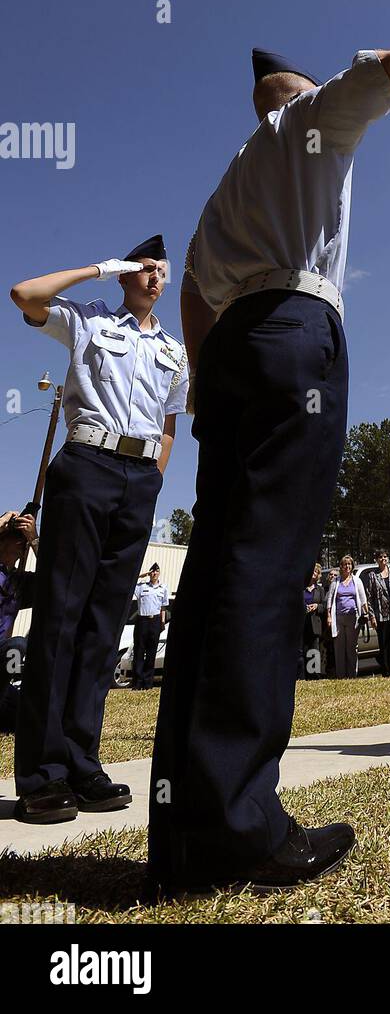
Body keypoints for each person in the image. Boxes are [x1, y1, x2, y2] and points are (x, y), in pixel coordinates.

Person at [149, 45, 390, 894]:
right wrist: (341, 79)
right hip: (295, 330)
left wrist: (199, 386)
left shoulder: (224, 187)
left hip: (230, 352)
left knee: (218, 575)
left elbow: (192, 290)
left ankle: (186, 827)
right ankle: (240, 827)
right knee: (265, 568)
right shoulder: (302, 122)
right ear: (288, 93)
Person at [10, 238, 186, 822]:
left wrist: (154, 480)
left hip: (137, 480)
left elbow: (169, 423)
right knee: (61, 616)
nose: (155, 277)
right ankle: (42, 773)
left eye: (162, 270)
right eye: (145, 268)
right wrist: (100, 268)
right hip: (86, 466)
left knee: (105, 624)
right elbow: (23, 294)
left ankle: (83, 761)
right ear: (125, 275)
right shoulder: (87, 321)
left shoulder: (173, 351)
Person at [0, 511, 38, 734]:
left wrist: (34, 539)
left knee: (29, 716)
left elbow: (56, 578)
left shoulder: (18, 582)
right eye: (16, 539)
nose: (21, 546)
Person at [326, 556, 371, 678]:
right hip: (339, 618)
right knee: (339, 648)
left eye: (349, 564)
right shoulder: (336, 581)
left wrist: (366, 614)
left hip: (353, 618)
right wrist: (329, 616)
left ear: (352, 566)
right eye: (345, 564)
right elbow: (330, 599)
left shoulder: (357, 581)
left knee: (351, 648)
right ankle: (341, 675)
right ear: (341, 566)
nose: (347, 567)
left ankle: (352, 675)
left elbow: (363, 599)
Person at [131, 563, 169, 690]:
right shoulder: (141, 587)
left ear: (159, 573)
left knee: (151, 653)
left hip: (155, 621)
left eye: (156, 571)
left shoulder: (163, 588)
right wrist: (144, 574)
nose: (154, 574)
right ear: (149, 573)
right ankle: (137, 683)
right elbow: (132, 579)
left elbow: (163, 607)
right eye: (152, 572)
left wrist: (162, 622)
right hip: (142, 621)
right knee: (139, 651)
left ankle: (148, 683)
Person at [300, 564, 326, 679]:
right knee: (302, 651)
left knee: (314, 651)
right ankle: (302, 676)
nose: (313, 573)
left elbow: (324, 606)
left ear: (318, 574)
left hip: (315, 624)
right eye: (312, 571)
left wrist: (317, 606)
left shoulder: (320, 590)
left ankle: (314, 676)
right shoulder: (301, 589)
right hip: (302, 624)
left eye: (316, 571)